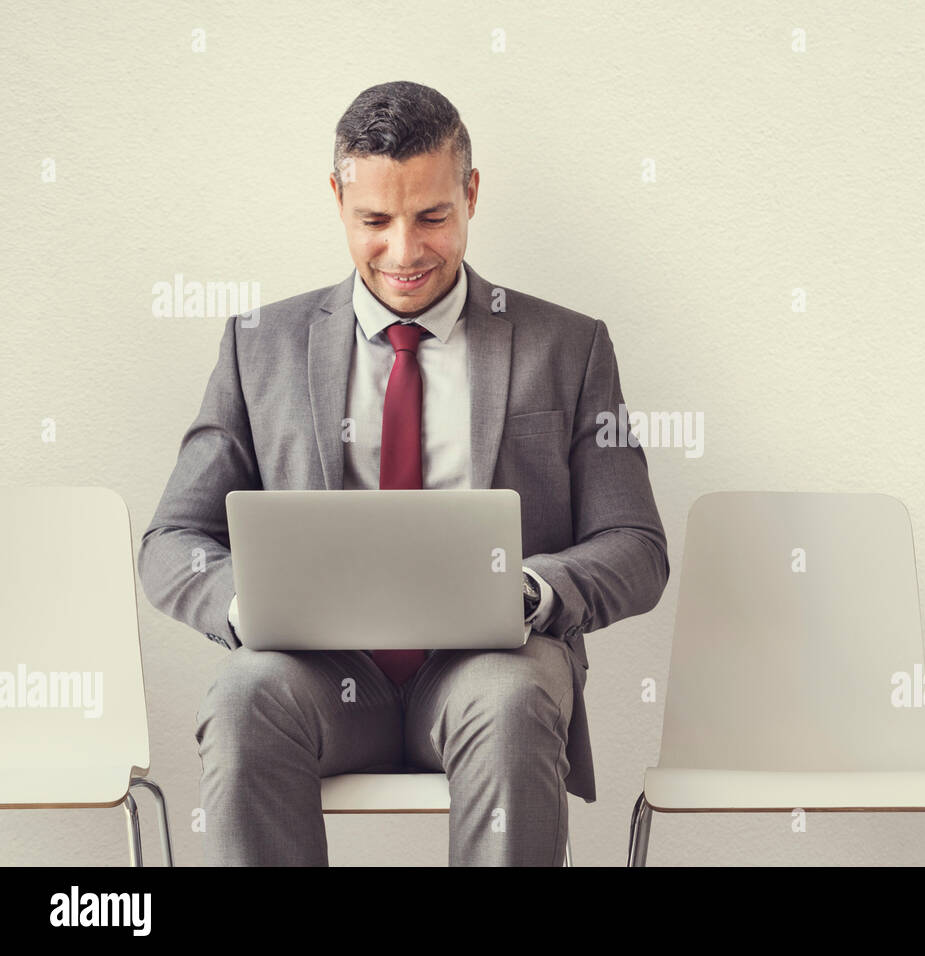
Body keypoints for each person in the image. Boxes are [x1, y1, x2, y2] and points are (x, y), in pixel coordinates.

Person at [137, 80, 669, 866]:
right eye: (374, 222)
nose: (404, 252)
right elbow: (170, 540)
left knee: (513, 696)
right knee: (243, 696)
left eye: (431, 217)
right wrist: (249, 606)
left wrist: (532, 590)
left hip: (489, 669)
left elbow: (636, 546)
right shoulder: (261, 345)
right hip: (313, 679)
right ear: (337, 200)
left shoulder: (570, 346)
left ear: (472, 192)